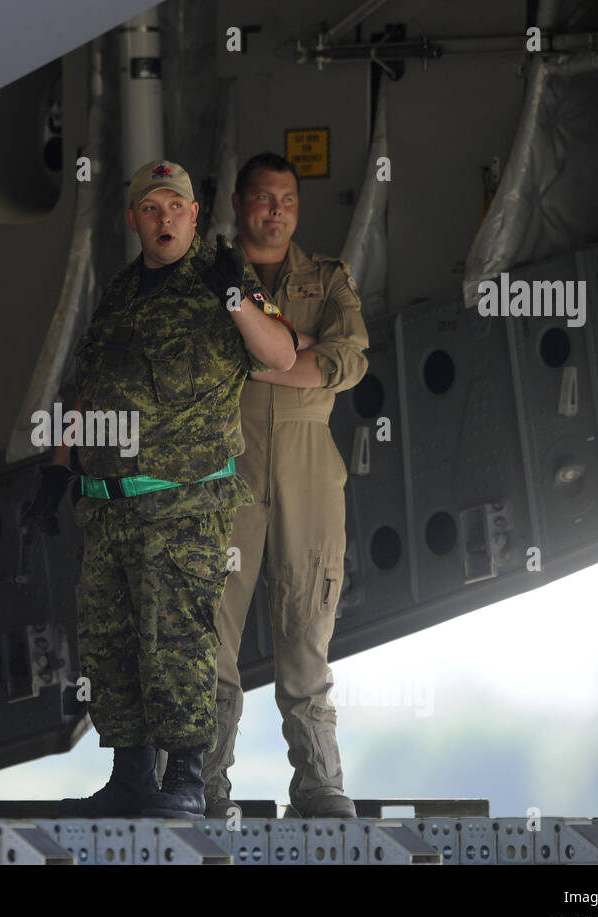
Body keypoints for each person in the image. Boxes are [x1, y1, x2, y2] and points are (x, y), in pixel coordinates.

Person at [45, 159, 297, 818]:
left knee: (179, 642)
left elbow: (282, 356)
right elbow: (89, 387)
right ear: (134, 219)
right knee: (113, 643)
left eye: (176, 207)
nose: (164, 219)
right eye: (151, 208)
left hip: (183, 505)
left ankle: (185, 778)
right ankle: (131, 775)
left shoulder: (224, 283)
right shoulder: (120, 293)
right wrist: (57, 468)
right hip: (109, 505)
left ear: (194, 214)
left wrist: (235, 299)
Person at [204, 152, 369, 819]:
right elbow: (197, 358)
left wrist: (261, 364)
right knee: (210, 627)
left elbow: (348, 358)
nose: (276, 210)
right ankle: (205, 780)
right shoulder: (209, 275)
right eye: (264, 199)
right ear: (239, 204)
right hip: (227, 462)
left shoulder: (327, 277)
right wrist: (293, 348)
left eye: (288, 200)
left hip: (306, 467)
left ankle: (320, 781)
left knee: (307, 624)